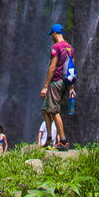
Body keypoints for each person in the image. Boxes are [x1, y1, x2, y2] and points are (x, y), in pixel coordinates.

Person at [40, 23, 74, 151]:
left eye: (52, 34)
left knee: (54, 111)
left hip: (56, 81)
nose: (51, 37)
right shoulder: (70, 48)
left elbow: (52, 67)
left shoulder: (56, 47)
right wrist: (71, 88)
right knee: (45, 109)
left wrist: (45, 86)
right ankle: (49, 138)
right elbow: (72, 68)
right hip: (64, 82)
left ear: (55, 33)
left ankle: (63, 141)